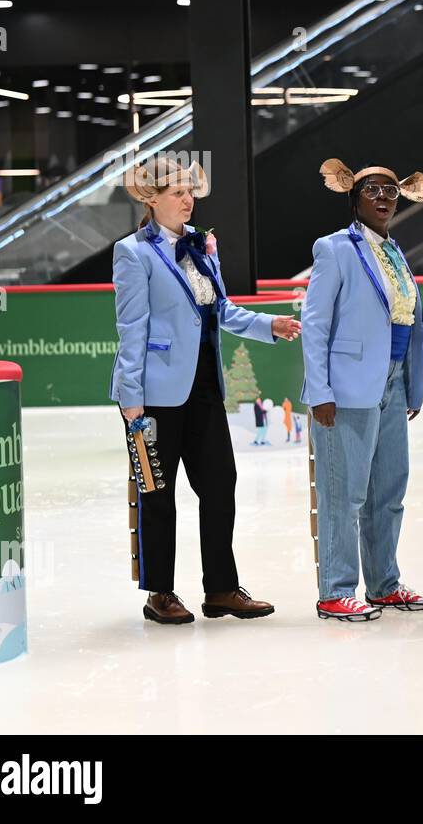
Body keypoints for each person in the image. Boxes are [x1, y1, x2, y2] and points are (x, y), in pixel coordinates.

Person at [111, 154, 301, 625]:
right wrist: (130, 400)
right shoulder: (133, 253)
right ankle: (161, 593)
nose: (188, 199)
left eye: (190, 192)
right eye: (177, 193)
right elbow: (131, 329)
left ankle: (220, 589)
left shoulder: (203, 248)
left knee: (220, 485)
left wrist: (270, 324)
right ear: (151, 200)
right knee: (158, 494)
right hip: (155, 395)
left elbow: (224, 311)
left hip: (203, 388)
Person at [301, 158, 423, 622]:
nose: (383, 198)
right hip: (347, 388)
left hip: (394, 383)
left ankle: (384, 583)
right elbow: (315, 325)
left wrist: (412, 387)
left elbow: (409, 321)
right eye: (373, 190)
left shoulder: (395, 250)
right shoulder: (335, 248)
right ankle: (336, 590)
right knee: (344, 492)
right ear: (354, 199)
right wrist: (319, 389)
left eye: (391, 191)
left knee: (389, 490)